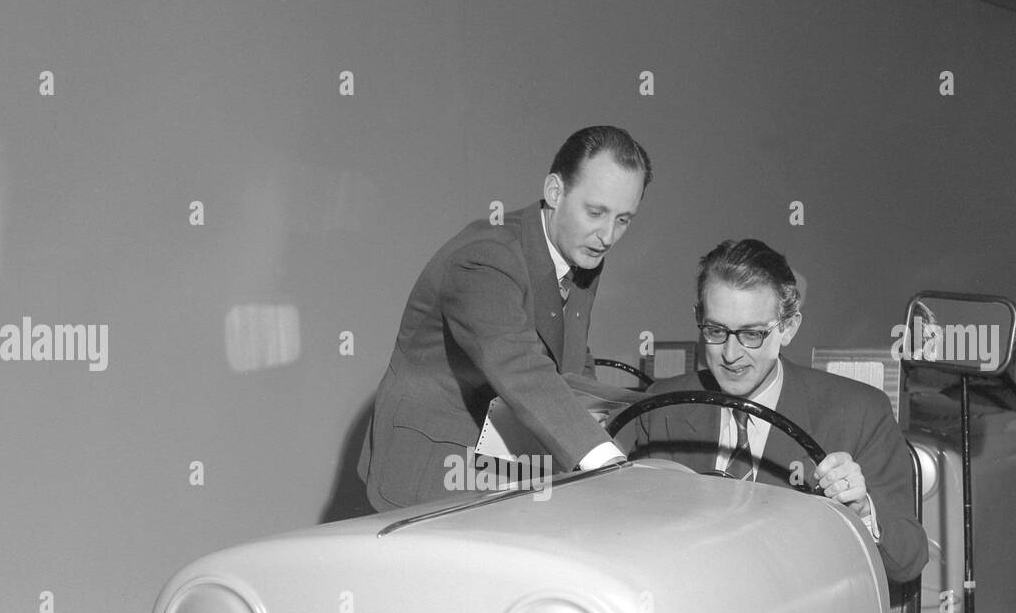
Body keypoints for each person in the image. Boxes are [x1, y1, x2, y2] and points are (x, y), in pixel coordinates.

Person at [357, 126, 651, 511]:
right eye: (595, 212)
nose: (607, 235)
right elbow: (519, 364)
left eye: (624, 220)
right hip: (432, 471)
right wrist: (604, 461)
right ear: (554, 192)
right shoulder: (486, 256)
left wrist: (604, 418)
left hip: (503, 472)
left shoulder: (578, 252)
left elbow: (564, 353)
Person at [627, 238, 927, 584]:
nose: (730, 353)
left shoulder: (857, 413)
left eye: (752, 334)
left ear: (787, 328)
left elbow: (907, 561)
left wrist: (862, 512)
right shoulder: (662, 406)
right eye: (715, 330)